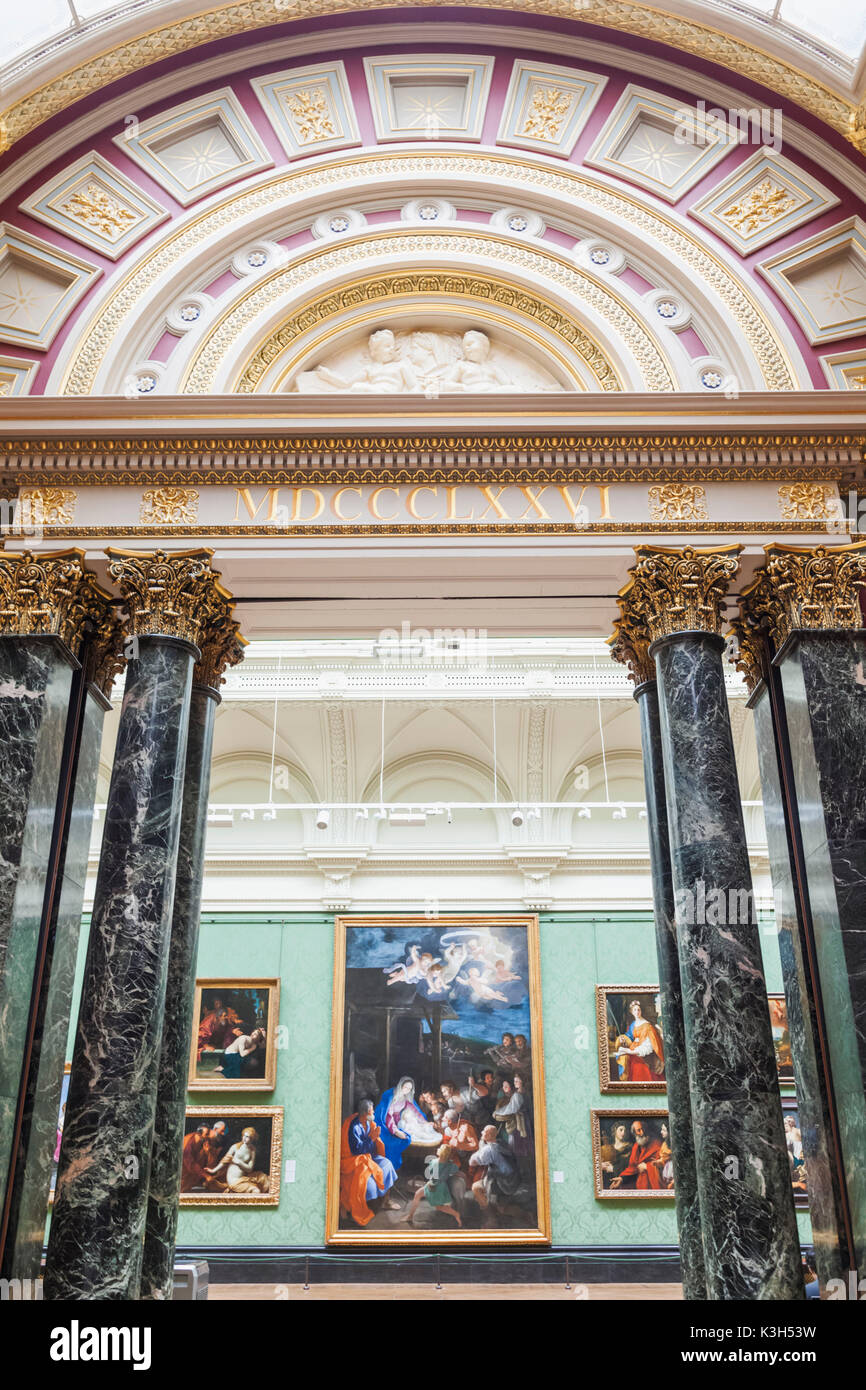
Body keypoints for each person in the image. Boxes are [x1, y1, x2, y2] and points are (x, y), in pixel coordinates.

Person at [339, 1099, 398, 1226]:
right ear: (365, 1113)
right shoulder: (354, 1127)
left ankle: (385, 1200)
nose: (374, 1114)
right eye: (372, 1111)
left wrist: (374, 1139)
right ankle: (358, 1210)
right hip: (355, 1161)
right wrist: (372, 1137)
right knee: (368, 1184)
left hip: (368, 1157)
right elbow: (357, 1151)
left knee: (387, 1164)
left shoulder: (368, 1123)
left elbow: (372, 1148)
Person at [406, 1144, 462, 1227]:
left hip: (434, 1187)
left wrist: (430, 1184)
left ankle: (456, 1214)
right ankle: (410, 1216)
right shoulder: (449, 1164)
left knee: (439, 1207)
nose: (438, 1149)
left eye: (439, 1148)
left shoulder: (435, 1162)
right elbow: (455, 1169)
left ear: (441, 1152)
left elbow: (434, 1179)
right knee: (418, 1194)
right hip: (441, 1186)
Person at [468, 1125, 522, 1209]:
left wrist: (481, 1145)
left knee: (475, 1187)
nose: (482, 1132)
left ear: (489, 1136)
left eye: (484, 1131)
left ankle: (486, 1209)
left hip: (505, 1183)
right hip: (514, 1179)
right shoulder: (501, 1143)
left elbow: (473, 1161)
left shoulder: (488, 1149)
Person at [612, 1000, 665, 1083]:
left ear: (641, 1011)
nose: (637, 1012)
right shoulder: (633, 1024)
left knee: (637, 1067)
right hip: (633, 1051)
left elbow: (648, 1047)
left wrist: (629, 1051)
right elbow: (629, 1037)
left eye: (638, 1010)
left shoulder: (647, 1026)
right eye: (635, 1010)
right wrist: (623, 1039)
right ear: (631, 1012)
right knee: (625, 1059)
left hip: (644, 1056)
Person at [205, 1126, 269, 1193]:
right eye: (244, 1136)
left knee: (264, 1178)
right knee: (256, 1191)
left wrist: (237, 1161)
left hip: (243, 1178)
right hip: (234, 1180)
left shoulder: (252, 1150)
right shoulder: (235, 1147)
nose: (244, 1138)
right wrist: (213, 1170)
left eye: (247, 1137)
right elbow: (224, 1161)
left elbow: (249, 1169)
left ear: (252, 1139)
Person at [609, 1120, 664, 1191]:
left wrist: (647, 1166)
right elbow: (632, 1168)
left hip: (654, 1187)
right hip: (641, 1186)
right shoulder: (636, 1146)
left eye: (642, 1129)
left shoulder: (657, 1144)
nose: (642, 1133)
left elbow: (664, 1165)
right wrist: (622, 1179)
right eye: (638, 1130)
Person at [599, 1120, 632, 1186]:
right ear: (615, 1130)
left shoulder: (630, 1147)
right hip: (606, 1180)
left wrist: (613, 1169)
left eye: (625, 1130)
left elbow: (630, 1168)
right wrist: (601, 1165)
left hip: (623, 1182)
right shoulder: (608, 1147)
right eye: (621, 1130)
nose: (623, 1133)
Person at [180, 1123, 210, 1192]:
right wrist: (204, 1175)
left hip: (192, 1175)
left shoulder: (203, 1142)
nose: (208, 1137)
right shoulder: (188, 1142)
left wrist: (207, 1152)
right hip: (183, 1174)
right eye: (206, 1134)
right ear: (199, 1134)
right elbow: (189, 1162)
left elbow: (203, 1161)